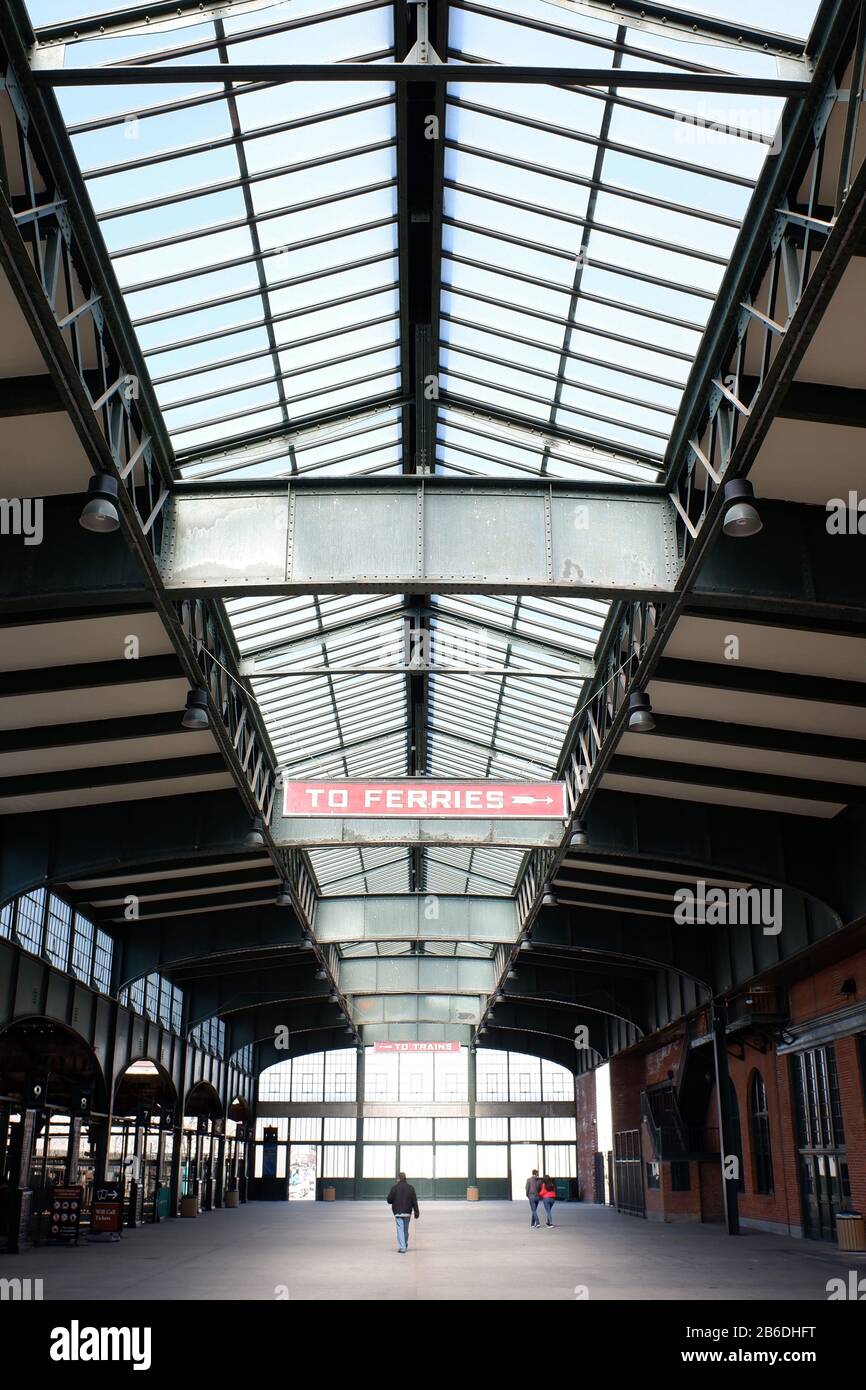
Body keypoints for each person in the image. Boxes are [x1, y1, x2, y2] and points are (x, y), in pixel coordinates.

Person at [386, 1171, 420, 1253]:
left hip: (397, 1212)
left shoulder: (394, 1188)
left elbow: (389, 1200)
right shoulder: (411, 1188)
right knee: (405, 1229)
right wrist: (416, 1212)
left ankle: (402, 1247)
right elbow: (414, 1201)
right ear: (405, 1178)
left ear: (398, 1179)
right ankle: (404, 1244)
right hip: (407, 1212)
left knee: (400, 1229)